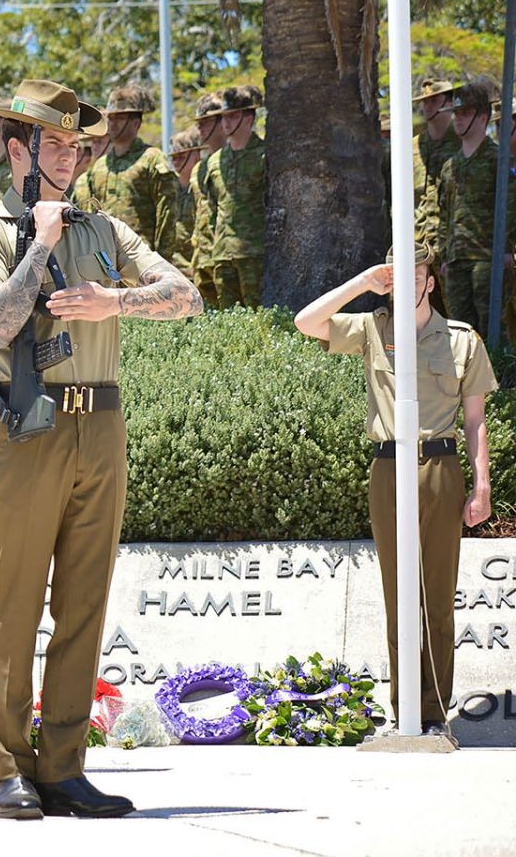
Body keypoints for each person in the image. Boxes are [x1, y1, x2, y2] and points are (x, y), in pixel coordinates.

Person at [0, 78, 201, 819]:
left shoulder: (105, 229)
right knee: (16, 605)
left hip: (103, 426)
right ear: (19, 149)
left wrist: (114, 301)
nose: (72, 155)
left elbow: (186, 295)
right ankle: (8, 768)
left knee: (84, 606)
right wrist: (43, 246)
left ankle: (63, 766)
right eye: (57, 143)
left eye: (78, 145)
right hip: (33, 429)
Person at [294, 244, 494, 740]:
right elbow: (306, 321)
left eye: (417, 275)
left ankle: (433, 714)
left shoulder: (462, 340)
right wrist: (364, 283)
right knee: (398, 593)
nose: (409, 284)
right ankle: (406, 710)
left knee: (438, 596)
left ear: (431, 281)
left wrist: (481, 485)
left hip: (441, 467)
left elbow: (475, 420)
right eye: (398, 275)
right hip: (389, 468)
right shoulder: (373, 328)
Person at [426, 76, 502, 332]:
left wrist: (507, 251)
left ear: (483, 117)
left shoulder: (498, 161)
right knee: (460, 331)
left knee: (494, 329)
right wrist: (446, 255)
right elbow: (444, 213)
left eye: (465, 113)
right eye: (455, 112)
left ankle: (500, 373)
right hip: (457, 262)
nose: (457, 118)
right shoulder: (449, 166)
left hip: (488, 258)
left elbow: (511, 207)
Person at [78, 85, 178, 255]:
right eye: (110, 118)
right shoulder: (100, 166)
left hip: (141, 257)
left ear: (136, 123)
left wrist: (162, 260)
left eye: (120, 118)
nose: (112, 124)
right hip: (107, 257)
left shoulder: (152, 159)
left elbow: (167, 215)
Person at [195, 85, 265, 308]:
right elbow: (213, 209)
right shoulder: (214, 162)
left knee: (259, 318)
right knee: (228, 319)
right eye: (223, 116)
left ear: (248, 117)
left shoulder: (264, 155)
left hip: (255, 253)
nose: (226, 122)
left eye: (233, 116)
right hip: (223, 254)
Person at [186, 91, 227, 302]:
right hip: (201, 256)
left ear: (222, 122)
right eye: (198, 122)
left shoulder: (237, 162)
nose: (199, 127)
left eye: (206, 121)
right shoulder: (199, 169)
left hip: (227, 256)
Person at [414, 78, 460, 212]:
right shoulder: (411, 147)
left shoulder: (464, 144)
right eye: (425, 101)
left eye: (434, 101)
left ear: (450, 103)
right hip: (416, 231)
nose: (428, 106)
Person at [163, 128, 203, 276]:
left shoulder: (202, 187)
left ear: (197, 155)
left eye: (182, 156)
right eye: (174, 157)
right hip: (173, 267)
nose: (176, 161)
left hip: (197, 266)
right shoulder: (169, 188)